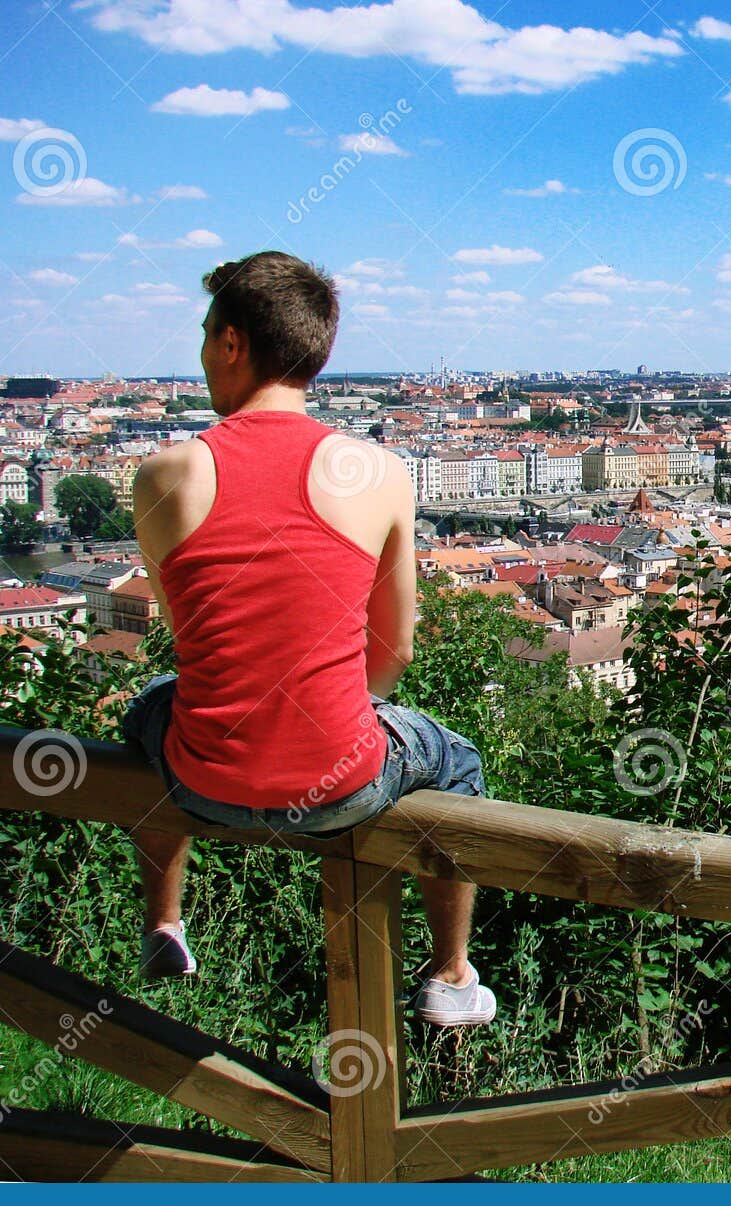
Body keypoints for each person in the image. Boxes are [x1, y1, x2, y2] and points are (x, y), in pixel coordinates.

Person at [123, 250, 494, 1027]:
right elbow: (393, 656)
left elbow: (184, 636)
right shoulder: (379, 471)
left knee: (149, 707)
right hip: (343, 783)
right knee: (458, 761)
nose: (199, 358)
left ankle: (164, 922)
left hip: (202, 782)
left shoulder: (163, 474)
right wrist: (343, 706)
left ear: (231, 344)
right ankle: (451, 975)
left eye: (204, 336)